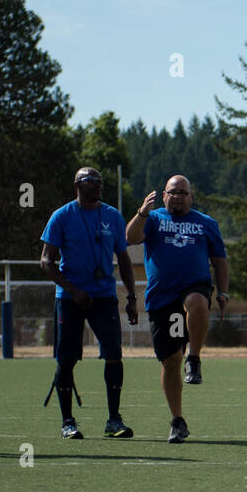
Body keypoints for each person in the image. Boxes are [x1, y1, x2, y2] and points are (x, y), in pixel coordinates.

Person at [126, 175, 229, 442]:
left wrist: (224, 292)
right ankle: (177, 420)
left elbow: (220, 261)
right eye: (173, 192)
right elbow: (130, 237)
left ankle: (193, 358)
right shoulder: (153, 218)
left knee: (196, 303)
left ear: (191, 197)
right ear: (164, 195)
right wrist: (141, 213)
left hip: (195, 286)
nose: (178, 196)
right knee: (170, 361)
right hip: (162, 298)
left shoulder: (206, 223)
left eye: (184, 192)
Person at [39, 166, 138, 441]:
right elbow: (45, 262)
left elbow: (125, 260)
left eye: (100, 182)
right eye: (91, 181)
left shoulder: (113, 216)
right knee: (67, 358)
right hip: (70, 298)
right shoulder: (61, 216)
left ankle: (114, 419)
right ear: (77, 185)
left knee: (114, 353)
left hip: (105, 296)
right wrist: (73, 289)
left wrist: (131, 298)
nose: (98, 186)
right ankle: (68, 422)